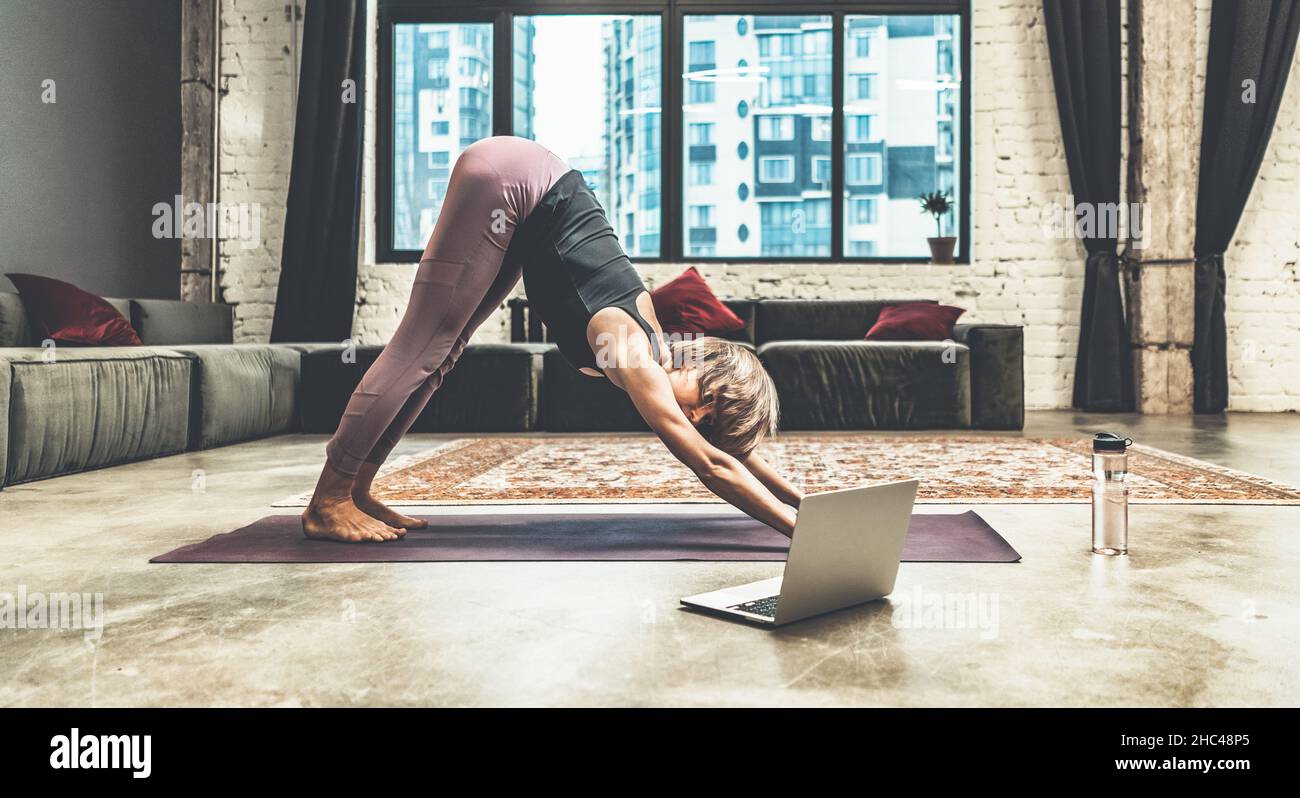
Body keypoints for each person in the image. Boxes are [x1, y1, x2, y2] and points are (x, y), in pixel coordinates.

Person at [302, 136, 801, 543]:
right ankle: (328, 501)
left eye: (705, 420)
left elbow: (728, 447)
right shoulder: (635, 355)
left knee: (444, 354)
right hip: (514, 181)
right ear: (701, 363)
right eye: (706, 401)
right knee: (420, 349)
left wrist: (804, 500)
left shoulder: (664, 355)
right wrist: (798, 530)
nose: (694, 417)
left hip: (529, 202)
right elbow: (712, 464)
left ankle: (357, 489)